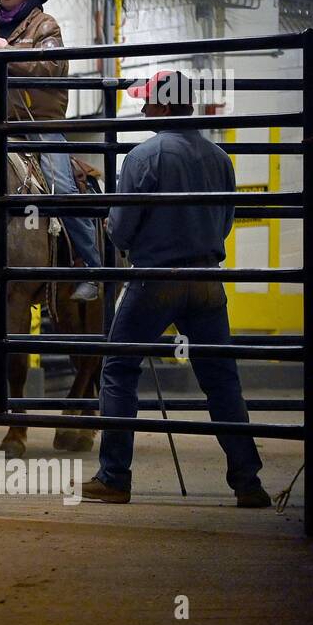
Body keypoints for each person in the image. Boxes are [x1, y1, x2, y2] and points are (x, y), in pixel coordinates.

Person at [80, 70, 271, 508]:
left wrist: (113, 226)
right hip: (207, 279)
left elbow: (123, 230)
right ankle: (248, 482)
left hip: (156, 279)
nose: (144, 108)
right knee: (222, 382)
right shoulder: (220, 158)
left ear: (165, 106)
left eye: (149, 102)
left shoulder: (144, 155)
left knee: (119, 369)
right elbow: (224, 223)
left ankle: (114, 477)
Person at [0, 0, 101, 301]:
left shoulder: (45, 25)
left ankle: (92, 268)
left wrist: (10, 52)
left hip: (38, 124)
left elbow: (53, 66)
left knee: (61, 186)